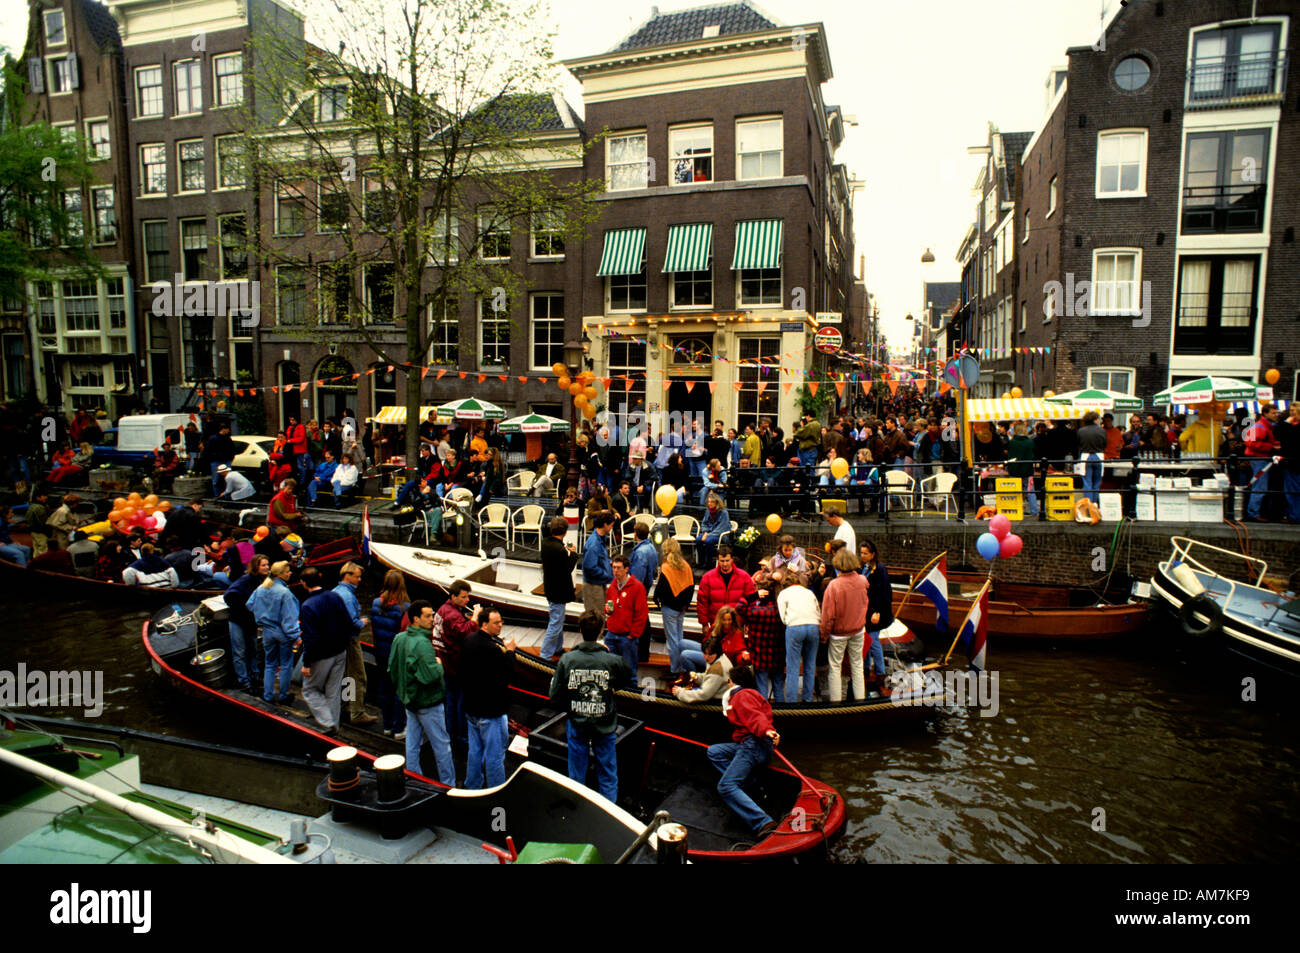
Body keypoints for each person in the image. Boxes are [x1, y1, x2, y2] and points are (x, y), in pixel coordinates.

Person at [549, 610, 630, 803]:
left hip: (577, 723)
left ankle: (577, 808)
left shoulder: (567, 660)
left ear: (580, 630)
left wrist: (572, 705)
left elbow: (555, 696)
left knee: (576, 773)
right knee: (608, 773)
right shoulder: (613, 660)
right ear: (601, 631)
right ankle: (609, 813)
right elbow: (624, 680)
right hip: (605, 724)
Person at [706, 662, 781, 840]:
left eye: (729, 682)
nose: (728, 685)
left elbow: (755, 716)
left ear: (734, 682)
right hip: (755, 744)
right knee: (714, 752)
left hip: (753, 744)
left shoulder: (742, 695)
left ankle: (763, 821)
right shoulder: (752, 694)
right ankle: (748, 785)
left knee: (725, 787)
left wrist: (767, 731)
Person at [389, 600, 457, 786]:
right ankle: (448, 784)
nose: (432, 620)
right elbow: (430, 677)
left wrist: (403, 692)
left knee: (412, 743)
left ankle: (414, 779)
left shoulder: (399, 638)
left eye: (432, 615)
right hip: (428, 704)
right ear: (416, 619)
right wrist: (439, 666)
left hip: (410, 701)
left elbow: (392, 669)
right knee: (442, 745)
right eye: (427, 616)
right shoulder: (423, 644)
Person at [460, 607, 517, 789]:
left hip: (471, 708)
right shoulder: (492, 649)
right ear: (484, 624)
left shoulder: (468, 640)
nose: (500, 625)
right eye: (496, 623)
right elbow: (506, 675)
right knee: (495, 755)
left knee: (474, 751)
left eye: (501, 622)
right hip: (490, 712)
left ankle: (473, 785)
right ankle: (496, 789)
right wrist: (510, 652)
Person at [297, 567, 353, 735]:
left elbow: (310, 638)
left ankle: (327, 723)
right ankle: (334, 725)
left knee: (309, 689)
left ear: (303, 583)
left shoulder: (308, 606)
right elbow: (347, 623)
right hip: (340, 650)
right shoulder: (334, 596)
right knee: (333, 691)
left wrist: (307, 663)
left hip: (322, 655)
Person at [246, 560, 300, 705]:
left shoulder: (261, 588)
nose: (290, 573)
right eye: (288, 571)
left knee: (270, 664)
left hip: (267, 632)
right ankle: (283, 696)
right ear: (281, 574)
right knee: (285, 664)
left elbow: (250, 604)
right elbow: (289, 619)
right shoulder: (285, 593)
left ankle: (268, 695)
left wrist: (263, 616)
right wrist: (296, 636)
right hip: (282, 633)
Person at [433, 578, 478, 747]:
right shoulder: (452, 614)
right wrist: (474, 619)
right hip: (454, 665)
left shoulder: (443, 610)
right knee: (459, 701)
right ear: (453, 596)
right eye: (464, 597)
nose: (467, 600)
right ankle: (460, 736)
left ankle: (450, 731)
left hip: (443, 662)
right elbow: (465, 631)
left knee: (449, 699)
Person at [820, 548, 868, 702]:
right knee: (857, 665)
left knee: (835, 667)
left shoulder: (834, 586)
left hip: (839, 633)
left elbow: (828, 615)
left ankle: (836, 702)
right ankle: (860, 700)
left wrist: (824, 635)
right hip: (858, 630)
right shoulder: (863, 581)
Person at [332, 562, 375, 726]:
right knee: (357, 676)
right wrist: (362, 622)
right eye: (357, 576)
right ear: (347, 576)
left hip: (339, 640)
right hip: (350, 640)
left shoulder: (335, 592)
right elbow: (351, 623)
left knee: (345, 675)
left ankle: (345, 706)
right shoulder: (348, 597)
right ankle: (357, 712)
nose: (359, 580)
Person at [655, 537, 705, 676]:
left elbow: (660, 589)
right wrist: (685, 605)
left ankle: (675, 670)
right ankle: (681, 666)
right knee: (680, 639)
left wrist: (658, 602)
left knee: (672, 641)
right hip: (681, 609)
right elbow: (690, 587)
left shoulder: (666, 567)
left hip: (669, 608)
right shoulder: (686, 566)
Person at [370, 570, 411, 737]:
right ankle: (399, 727)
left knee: (384, 688)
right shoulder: (405, 607)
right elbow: (405, 633)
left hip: (380, 651)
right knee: (399, 690)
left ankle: (387, 725)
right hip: (397, 654)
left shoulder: (375, 603)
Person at [224, 554, 269, 692]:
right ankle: (243, 681)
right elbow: (229, 596)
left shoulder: (265, 581)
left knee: (253, 649)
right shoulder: (245, 580)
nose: (267, 567)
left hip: (251, 622)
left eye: (268, 564)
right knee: (240, 651)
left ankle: (254, 676)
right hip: (238, 620)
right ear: (256, 567)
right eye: (263, 565)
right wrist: (245, 609)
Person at [739, 571, 784, 703]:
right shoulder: (780, 611)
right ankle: (782, 713)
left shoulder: (755, 611)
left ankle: (763, 713)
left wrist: (753, 596)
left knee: (762, 688)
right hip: (778, 655)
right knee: (778, 687)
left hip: (759, 655)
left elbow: (739, 607)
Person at [775, 570, 820, 703]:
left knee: (793, 667)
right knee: (810, 665)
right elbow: (818, 610)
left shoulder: (783, 593)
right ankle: (807, 699)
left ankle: (791, 701)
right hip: (813, 626)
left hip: (795, 627)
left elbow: (783, 617)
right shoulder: (809, 592)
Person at [603, 554, 648, 685]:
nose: (615, 571)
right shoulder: (612, 587)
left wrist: (632, 635)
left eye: (618, 568)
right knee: (611, 669)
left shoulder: (637, 587)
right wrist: (607, 610)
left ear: (626, 569)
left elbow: (641, 614)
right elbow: (608, 607)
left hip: (627, 637)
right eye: (613, 568)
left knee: (630, 671)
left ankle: (631, 693)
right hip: (611, 634)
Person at [697, 545, 755, 642]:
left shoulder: (744, 577)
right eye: (722, 561)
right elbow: (702, 602)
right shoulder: (707, 578)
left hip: (737, 625)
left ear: (732, 560)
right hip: (716, 624)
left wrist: (749, 623)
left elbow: (751, 601)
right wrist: (704, 624)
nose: (724, 564)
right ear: (718, 561)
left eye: (727, 561)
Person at [540, 516, 578, 661]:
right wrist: (573, 554)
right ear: (565, 531)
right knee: (556, 621)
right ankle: (545, 655)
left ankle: (557, 648)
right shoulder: (560, 550)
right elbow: (567, 568)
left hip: (550, 587)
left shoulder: (546, 543)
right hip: (559, 590)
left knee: (558, 618)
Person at [859, 540, 893, 692]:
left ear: (873, 554)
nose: (863, 556)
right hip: (864, 610)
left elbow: (883, 592)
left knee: (873, 640)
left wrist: (878, 611)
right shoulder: (862, 568)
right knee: (864, 639)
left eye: (866, 553)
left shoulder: (879, 569)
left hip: (875, 610)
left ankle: (880, 672)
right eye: (861, 553)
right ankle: (866, 667)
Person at [1244, 403, 1281, 522]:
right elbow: (1251, 443)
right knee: (1260, 486)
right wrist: (1271, 447)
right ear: (1265, 413)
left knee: (1260, 485)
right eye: (1273, 413)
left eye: (1277, 413)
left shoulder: (1261, 426)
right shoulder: (1261, 427)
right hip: (1259, 458)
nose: (1276, 415)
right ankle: (1253, 513)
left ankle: (1255, 512)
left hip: (1260, 458)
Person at [671, 638, 730, 703]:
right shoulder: (719, 658)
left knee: (678, 697)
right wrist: (697, 677)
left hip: (716, 700)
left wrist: (680, 693)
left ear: (717, 653)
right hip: (714, 691)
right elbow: (708, 676)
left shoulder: (717, 670)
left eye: (710, 654)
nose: (706, 658)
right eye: (704, 653)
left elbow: (703, 695)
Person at [581, 510, 615, 620]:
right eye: (611, 525)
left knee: (600, 616)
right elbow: (589, 567)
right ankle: (595, 637)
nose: (611, 528)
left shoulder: (600, 539)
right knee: (595, 618)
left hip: (599, 583)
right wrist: (606, 574)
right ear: (605, 525)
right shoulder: (594, 544)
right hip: (593, 586)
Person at [1005, 422, 1039, 516]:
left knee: (1014, 492)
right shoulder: (1030, 442)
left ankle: (1014, 511)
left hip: (1014, 470)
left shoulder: (1012, 442)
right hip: (1027, 470)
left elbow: (1008, 455)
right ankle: (1034, 511)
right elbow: (1034, 454)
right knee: (1030, 491)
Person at [1077, 411, 1107, 505]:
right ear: (1095, 419)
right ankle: (1095, 504)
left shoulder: (1081, 431)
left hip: (1085, 457)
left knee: (1087, 482)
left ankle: (1088, 505)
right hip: (1099, 456)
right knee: (1097, 482)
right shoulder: (1102, 430)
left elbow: (1078, 444)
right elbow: (1104, 444)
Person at [1278, 403, 1300, 523]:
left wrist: (1286, 422)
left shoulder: (1292, 427)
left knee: (1293, 491)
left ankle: (1295, 516)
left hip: (1293, 463)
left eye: (1293, 410)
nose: (1291, 413)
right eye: (1290, 410)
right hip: (1292, 463)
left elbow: (1285, 436)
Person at [696, 493, 731, 568]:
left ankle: (708, 563)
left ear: (717, 502)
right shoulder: (708, 511)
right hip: (709, 533)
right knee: (698, 539)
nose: (709, 504)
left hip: (720, 535)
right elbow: (704, 523)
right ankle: (701, 562)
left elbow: (722, 528)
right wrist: (705, 532)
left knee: (709, 541)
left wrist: (707, 535)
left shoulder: (724, 513)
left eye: (712, 502)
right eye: (708, 502)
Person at [205, 424, 237, 497]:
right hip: (217, 461)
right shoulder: (213, 439)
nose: (229, 431)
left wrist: (231, 458)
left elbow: (232, 449)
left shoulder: (227, 438)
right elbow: (208, 450)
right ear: (223, 429)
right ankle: (218, 496)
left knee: (227, 480)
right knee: (216, 480)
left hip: (225, 460)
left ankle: (226, 496)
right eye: (228, 429)